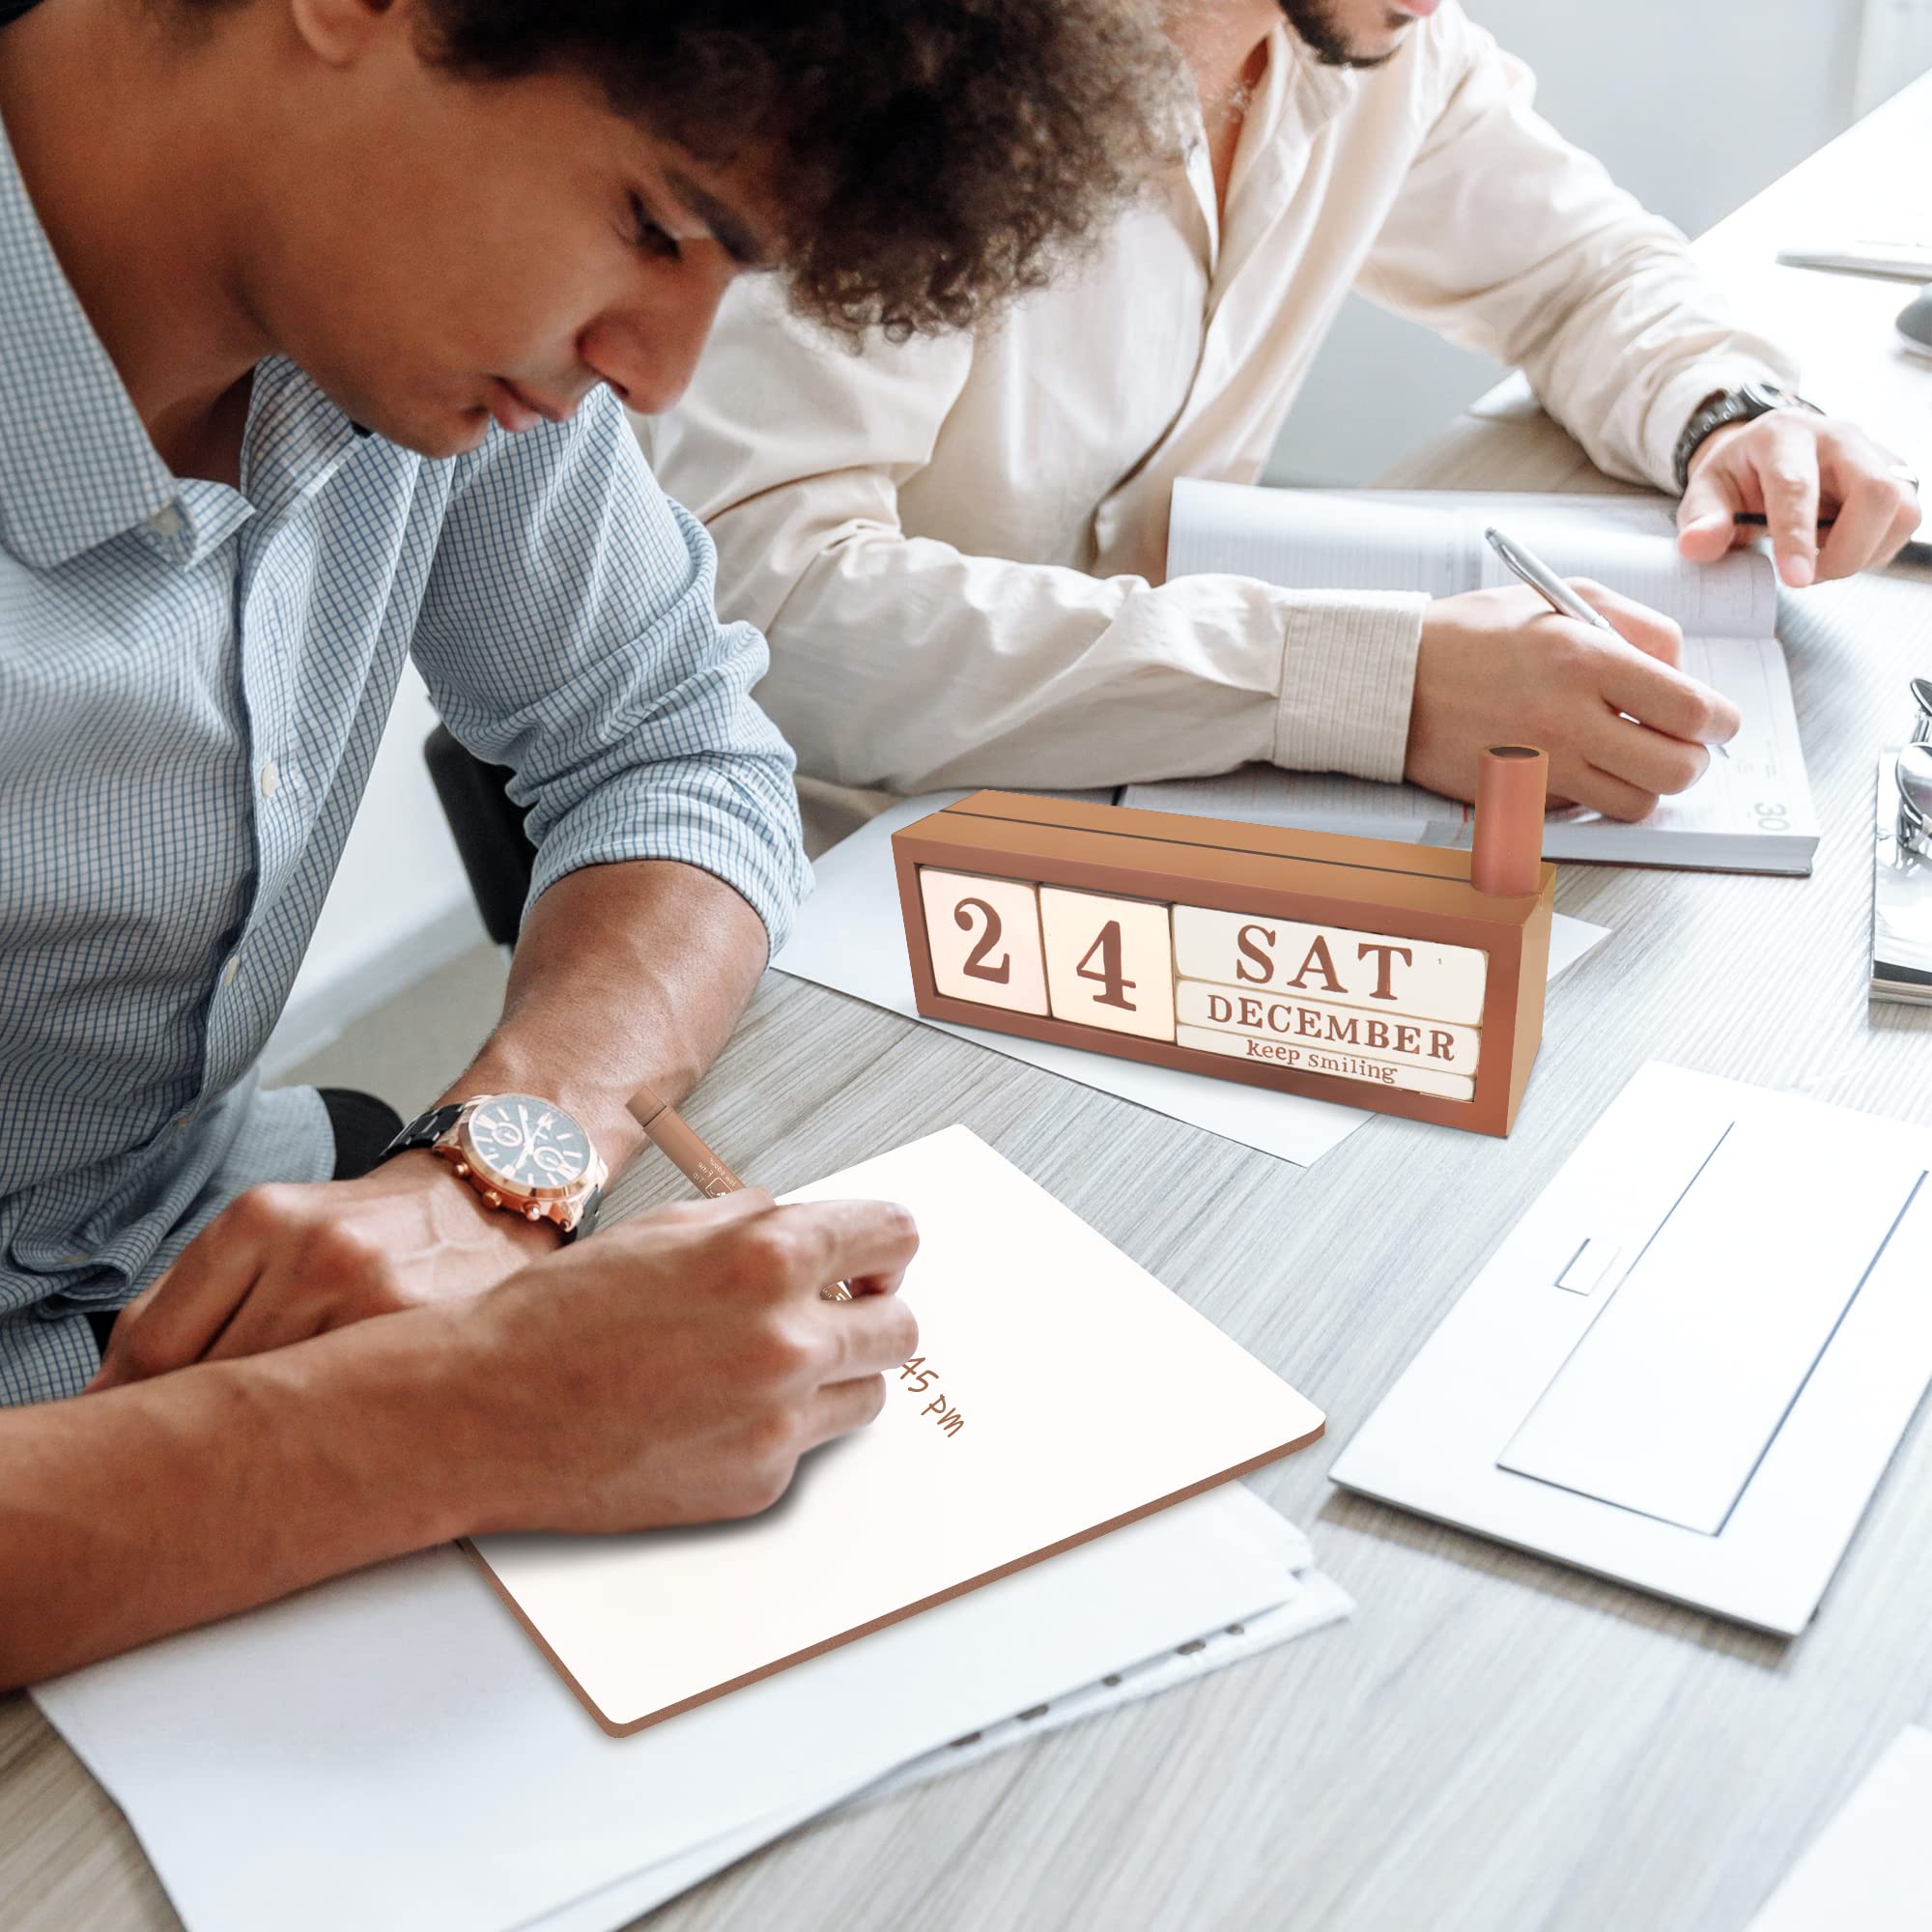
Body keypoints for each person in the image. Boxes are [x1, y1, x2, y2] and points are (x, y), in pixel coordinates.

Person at [0, 0, 1176, 1685]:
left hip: (182, 1259)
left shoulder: (399, 329)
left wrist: (501, 1165)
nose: (660, 372)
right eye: (652, 223)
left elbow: (673, 742)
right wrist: (440, 1424)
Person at [642, 0, 1922, 830]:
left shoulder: (1371, 45)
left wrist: (1732, 410)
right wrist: (1372, 680)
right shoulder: (896, 79)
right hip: (850, 851)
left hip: (1176, 791)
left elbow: (1580, 272)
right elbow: (767, 606)